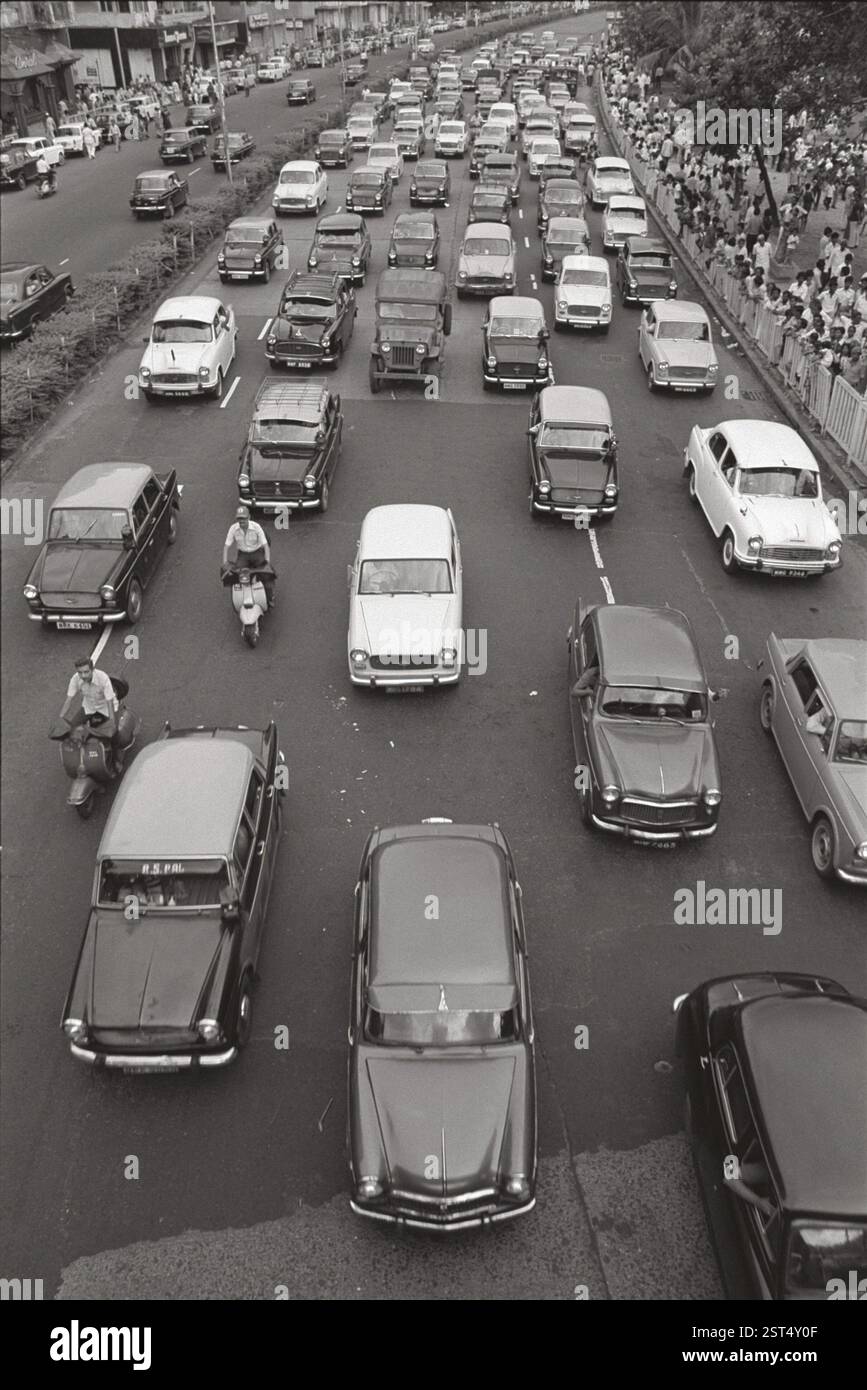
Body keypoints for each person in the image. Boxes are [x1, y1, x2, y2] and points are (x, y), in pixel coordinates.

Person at [222, 506, 275, 606]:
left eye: (243, 518)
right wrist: (225, 564)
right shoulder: (233, 529)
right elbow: (226, 547)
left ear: (249, 517)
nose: (241, 521)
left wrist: (267, 563)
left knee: (266, 575)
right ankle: (237, 600)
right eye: (239, 519)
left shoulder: (256, 527)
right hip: (243, 555)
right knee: (236, 577)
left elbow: (265, 546)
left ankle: (270, 596)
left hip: (257, 553)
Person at [60, 658, 118, 738]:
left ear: (92, 669)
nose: (83, 676)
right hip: (89, 707)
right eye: (80, 672)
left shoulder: (103, 678)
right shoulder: (75, 679)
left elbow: (109, 701)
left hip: (106, 708)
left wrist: (111, 722)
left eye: (86, 672)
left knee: (114, 734)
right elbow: (69, 699)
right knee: (71, 729)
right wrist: (60, 718)